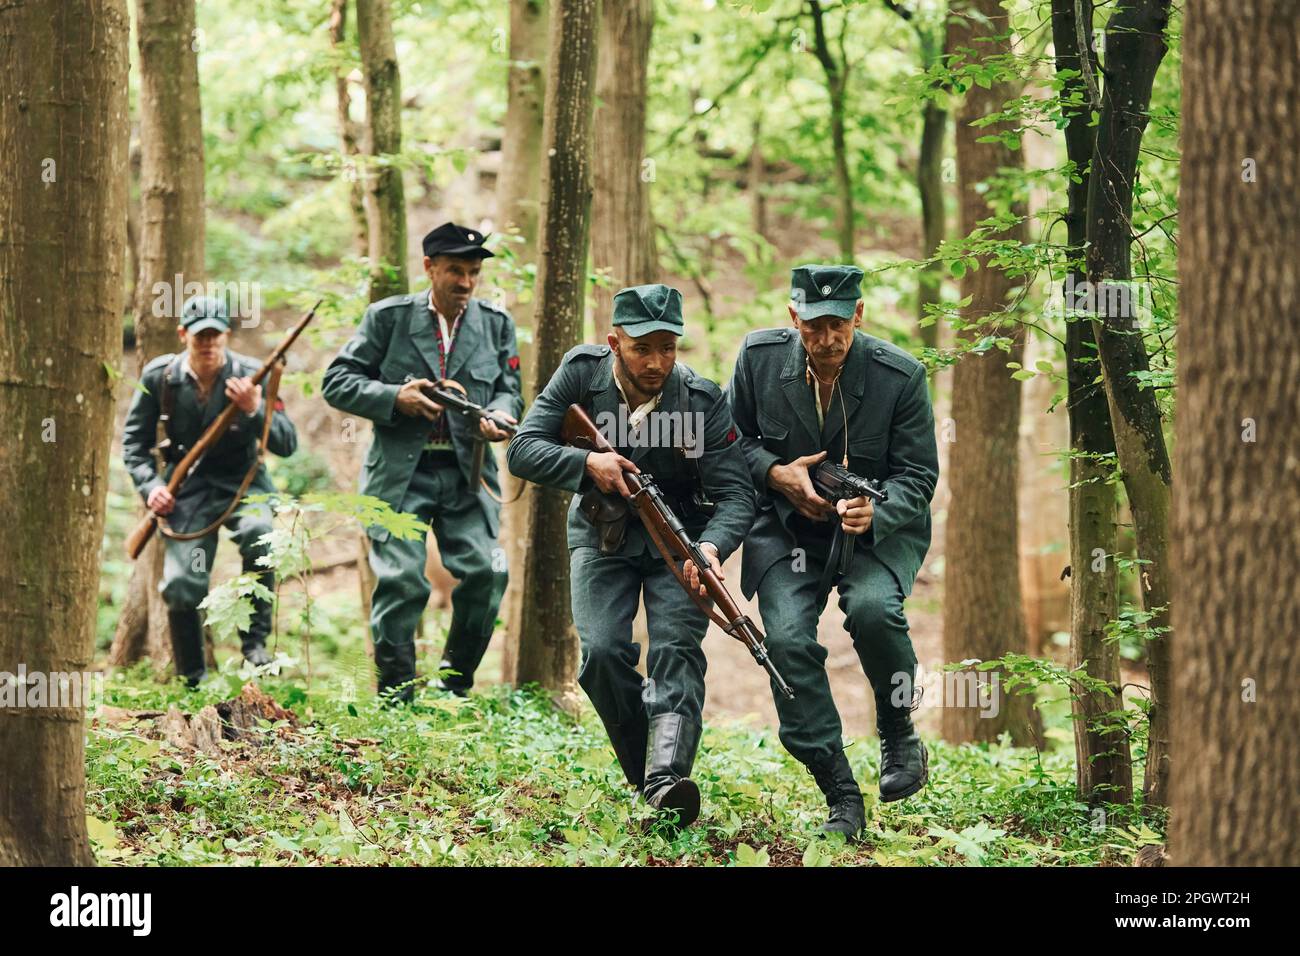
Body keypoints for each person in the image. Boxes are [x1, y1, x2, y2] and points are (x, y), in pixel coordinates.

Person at [507, 284, 755, 827]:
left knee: (676, 652)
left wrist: (711, 547)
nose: (657, 361)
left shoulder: (703, 400)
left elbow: (738, 494)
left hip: (680, 543)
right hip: (603, 538)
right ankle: (651, 773)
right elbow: (521, 449)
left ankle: (666, 786)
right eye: (643, 348)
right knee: (600, 654)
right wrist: (587, 467)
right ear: (614, 342)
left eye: (668, 347)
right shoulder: (580, 374)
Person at [726, 264, 939, 838]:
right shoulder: (758, 359)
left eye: (838, 324)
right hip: (785, 529)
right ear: (794, 318)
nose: (827, 340)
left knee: (874, 610)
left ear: (859, 315)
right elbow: (730, 443)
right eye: (814, 326)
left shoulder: (901, 375)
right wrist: (777, 474)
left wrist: (879, 511)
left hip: (867, 532)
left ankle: (898, 733)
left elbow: (919, 476)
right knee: (788, 643)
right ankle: (840, 793)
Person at [322, 223, 523, 703]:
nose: (466, 283)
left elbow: (509, 389)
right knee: (401, 580)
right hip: (399, 475)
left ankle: (454, 688)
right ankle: (397, 700)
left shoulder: (495, 323)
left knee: (490, 571)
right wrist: (396, 397)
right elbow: (337, 382)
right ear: (430, 267)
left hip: (467, 475)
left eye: (474, 273)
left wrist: (500, 414)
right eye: (456, 270)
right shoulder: (387, 319)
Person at [122, 294, 298, 685]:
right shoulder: (160, 377)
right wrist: (151, 488)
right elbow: (133, 444)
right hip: (188, 490)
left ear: (227, 335)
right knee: (184, 584)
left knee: (259, 536)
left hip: (245, 482)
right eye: (200, 335)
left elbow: (287, 443)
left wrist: (253, 408)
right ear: (183, 334)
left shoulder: (255, 374)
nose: (208, 344)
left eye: (216, 335)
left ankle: (254, 648)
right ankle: (192, 678)